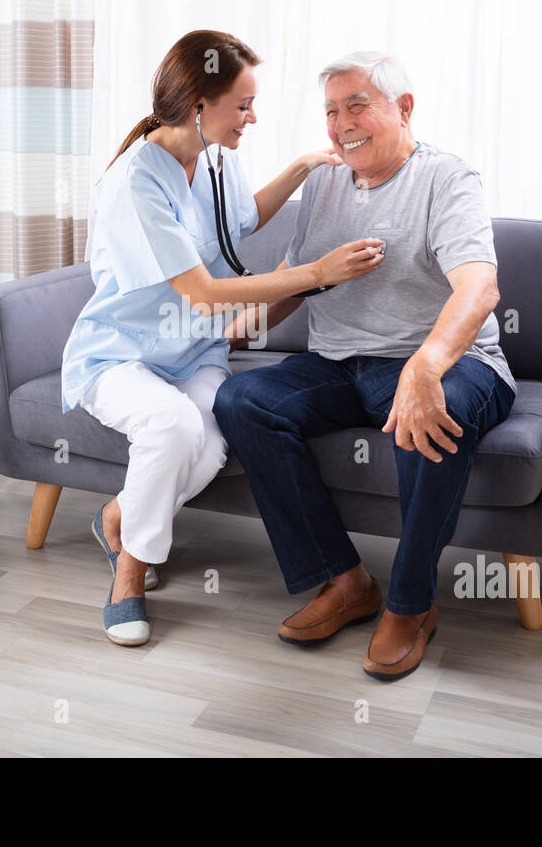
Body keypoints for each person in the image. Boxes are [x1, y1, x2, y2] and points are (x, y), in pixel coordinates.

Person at [61, 30, 386, 646]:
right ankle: (129, 571)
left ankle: (117, 516)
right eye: (242, 105)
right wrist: (317, 274)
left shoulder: (215, 158)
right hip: (122, 353)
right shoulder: (136, 182)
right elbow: (203, 292)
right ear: (198, 103)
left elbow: (239, 222)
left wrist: (300, 168)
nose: (252, 117)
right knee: (173, 429)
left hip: (194, 352)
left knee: (210, 450)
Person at [214, 51, 517, 680]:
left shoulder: (447, 178)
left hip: (453, 363)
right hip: (341, 364)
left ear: (403, 109)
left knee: (430, 415)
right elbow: (294, 285)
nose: (342, 123)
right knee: (241, 401)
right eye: (331, 111)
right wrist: (219, 336)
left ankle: (411, 605)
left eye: (358, 105)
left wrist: (427, 366)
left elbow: (479, 289)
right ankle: (345, 581)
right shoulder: (324, 181)